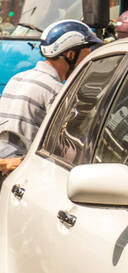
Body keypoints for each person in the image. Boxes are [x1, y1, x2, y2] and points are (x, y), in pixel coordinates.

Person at [0, 19, 101, 175]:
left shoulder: (17, 78)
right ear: (70, 54)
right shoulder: (56, 91)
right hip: (23, 173)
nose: (90, 55)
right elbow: (66, 148)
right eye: (88, 49)